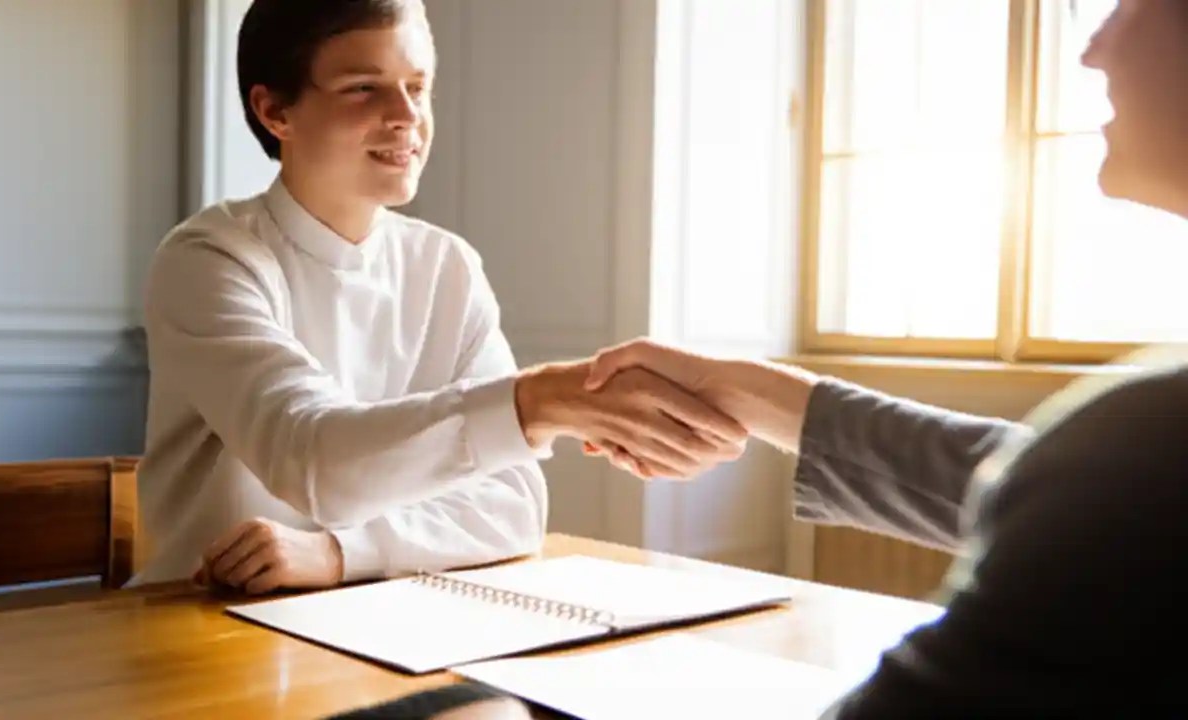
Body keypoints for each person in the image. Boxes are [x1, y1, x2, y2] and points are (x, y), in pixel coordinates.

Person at [346, 0, 1188, 717]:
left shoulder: (1140, 445)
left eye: (1139, 1)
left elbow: (1089, 492)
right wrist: (757, 395)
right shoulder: (1130, 453)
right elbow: (1036, 481)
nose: (1091, 44)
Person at [132, 0, 746, 593]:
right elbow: (313, 459)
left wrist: (341, 553)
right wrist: (537, 402)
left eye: (418, 87)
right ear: (274, 111)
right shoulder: (209, 260)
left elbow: (513, 507)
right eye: (363, 88)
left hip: (373, 620)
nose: (406, 115)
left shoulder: (446, 265)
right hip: (200, 624)